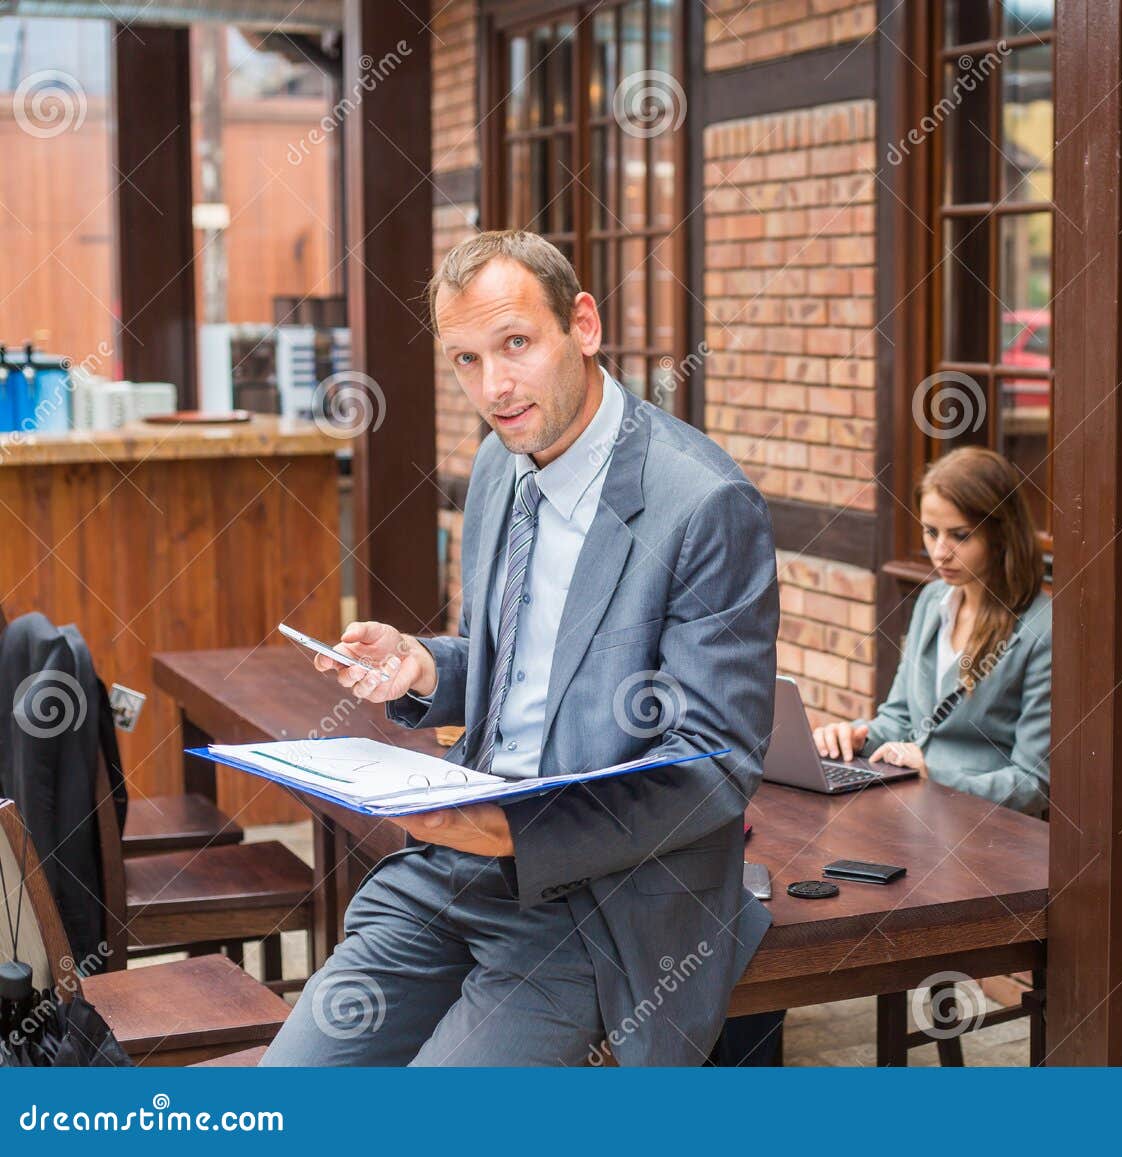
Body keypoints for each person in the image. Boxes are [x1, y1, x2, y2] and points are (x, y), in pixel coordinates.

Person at [261, 230, 779, 1066]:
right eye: (466, 359)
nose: (494, 387)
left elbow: (712, 769)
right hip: (452, 873)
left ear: (584, 324)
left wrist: (513, 832)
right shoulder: (499, 467)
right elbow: (521, 669)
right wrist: (424, 667)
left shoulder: (703, 504)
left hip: (597, 909)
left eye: (516, 344)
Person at [813, 447, 1051, 816]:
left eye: (960, 536)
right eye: (930, 532)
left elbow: (1033, 785)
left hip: (983, 828)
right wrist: (855, 737)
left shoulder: (1043, 629)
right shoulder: (932, 600)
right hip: (907, 810)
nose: (940, 552)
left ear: (1001, 534)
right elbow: (900, 718)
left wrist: (933, 775)